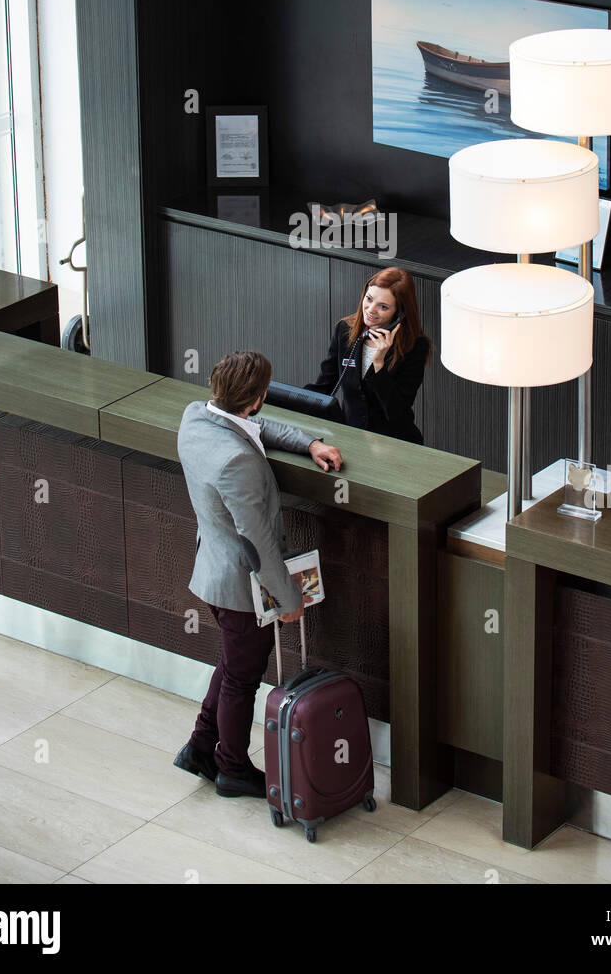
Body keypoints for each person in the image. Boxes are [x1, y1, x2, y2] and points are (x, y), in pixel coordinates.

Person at [173, 349, 342, 798]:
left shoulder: (196, 418)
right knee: (243, 679)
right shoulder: (238, 462)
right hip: (239, 587)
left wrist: (308, 442)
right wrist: (288, 601)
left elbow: (255, 427)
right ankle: (231, 768)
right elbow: (257, 542)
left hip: (212, 568)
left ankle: (198, 748)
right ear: (258, 397)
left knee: (231, 666)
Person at [306, 266, 431, 444]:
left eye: (383, 307)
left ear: (399, 313)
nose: (371, 310)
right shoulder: (345, 331)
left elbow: (398, 414)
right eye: (369, 299)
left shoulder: (415, 346)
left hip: (395, 444)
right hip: (351, 440)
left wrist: (379, 364)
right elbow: (323, 387)